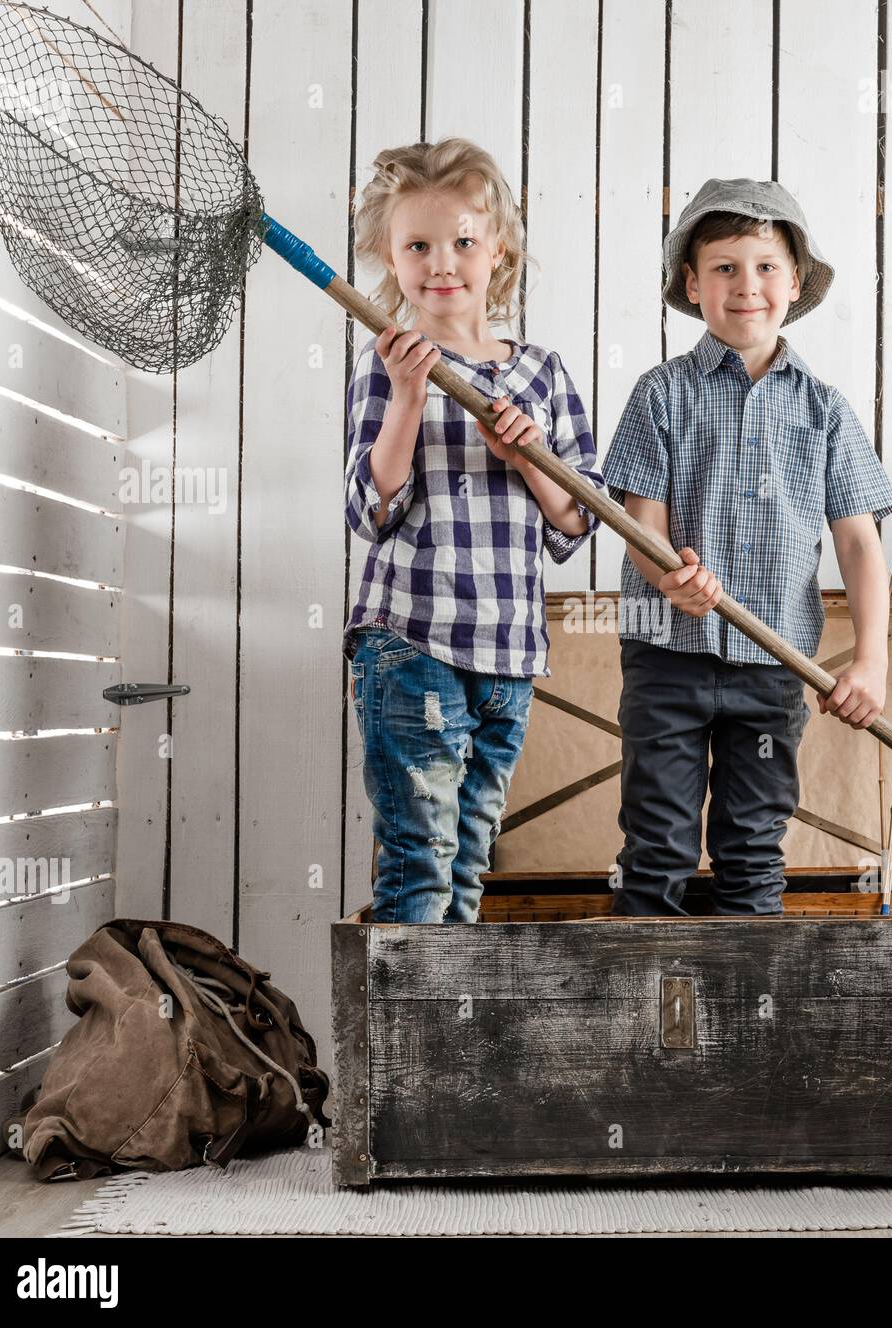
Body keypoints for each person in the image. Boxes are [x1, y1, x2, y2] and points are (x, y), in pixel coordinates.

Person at [602, 177, 892, 917]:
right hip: (667, 655)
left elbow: (859, 543)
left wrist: (868, 658)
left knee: (752, 847)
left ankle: (749, 1021)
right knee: (658, 842)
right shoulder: (660, 393)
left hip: (774, 666)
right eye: (725, 267)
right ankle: (643, 1017)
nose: (747, 286)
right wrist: (670, 576)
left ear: (794, 282)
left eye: (766, 266)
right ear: (692, 284)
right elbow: (643, 523)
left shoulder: (824, 409)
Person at [343, 137, 603, 923]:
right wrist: (410, 397)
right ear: (392, 260)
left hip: (511, 653)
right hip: (413, 641)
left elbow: (575, 516)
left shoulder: (542, 374)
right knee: (421, 865)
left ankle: (440, 1037)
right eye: (417, 246)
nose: (441, 262)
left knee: (469, 868)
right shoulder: (384, 364)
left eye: (462, 241)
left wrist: (526, 456)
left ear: (499, 252)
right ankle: (402, 1043)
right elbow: (371, 510)